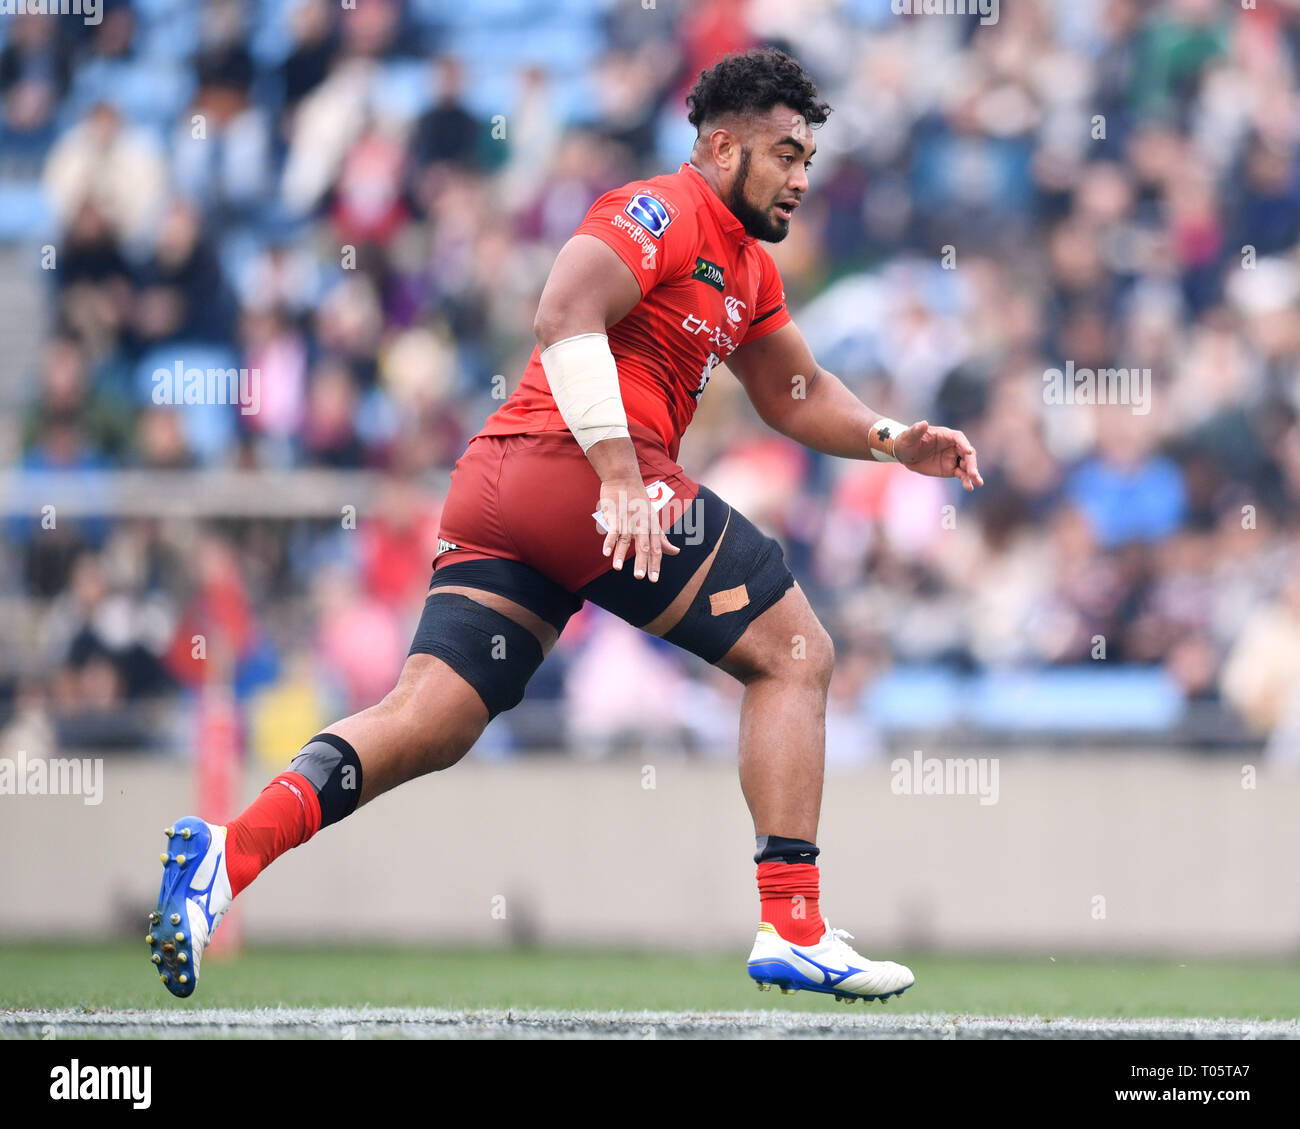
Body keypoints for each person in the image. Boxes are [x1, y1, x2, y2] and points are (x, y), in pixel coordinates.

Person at [149, 47, 982, 1003]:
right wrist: (623, 476)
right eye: (786, 154)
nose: (801, 178)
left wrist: (888, 438)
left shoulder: (747, 265)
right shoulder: (661, 209)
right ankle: (794, 922)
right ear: (720, 147)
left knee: (432, 718)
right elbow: (562, 311)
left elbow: (793, 392)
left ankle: (227, 855)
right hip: (575, 474)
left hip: (507, 487)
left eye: (808, 160)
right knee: (795, 652)